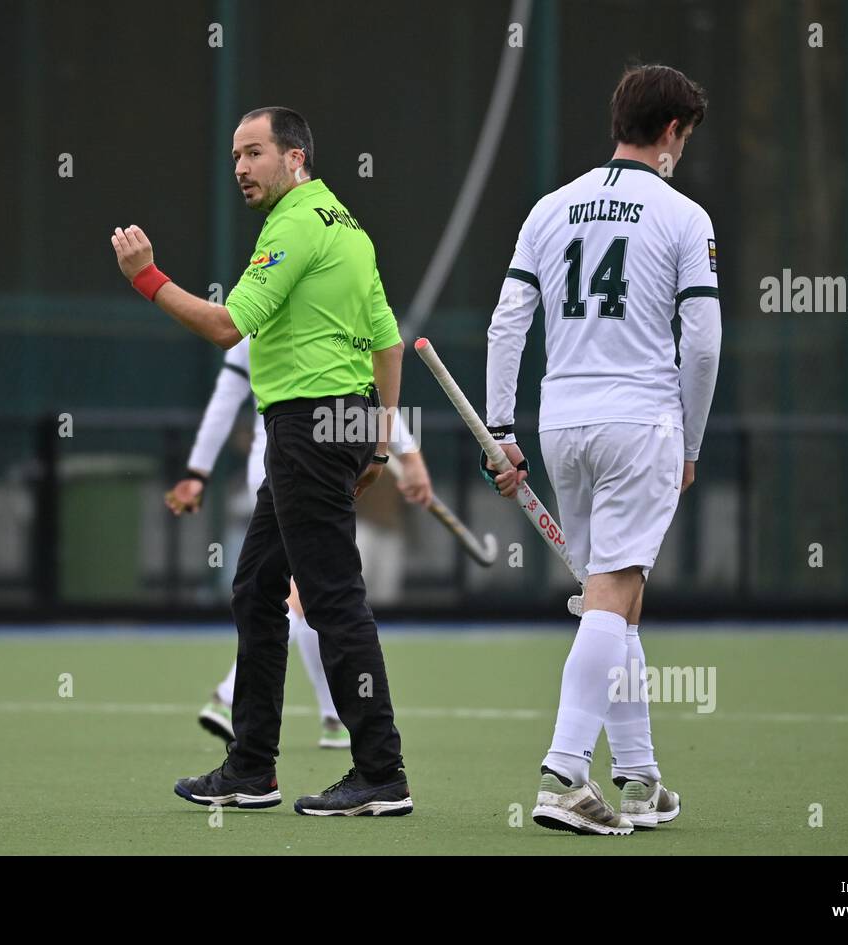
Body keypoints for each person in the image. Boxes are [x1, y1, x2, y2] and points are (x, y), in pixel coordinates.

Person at [112, 106, 415, 816]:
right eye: (234, 157)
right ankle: (252, 768)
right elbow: (389, 344)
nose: (242, 168)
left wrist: (146, 277)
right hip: (334, 420)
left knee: (332, 598)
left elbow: (226, 326)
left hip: (308, 424)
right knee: (256, 590)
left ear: (295, 158)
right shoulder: (348, 225)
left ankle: (381, 772)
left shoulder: (296, 223)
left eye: (254, 153)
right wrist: (376, 440)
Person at [484, 65, 721, 834]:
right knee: (611, 595)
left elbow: (506, 324)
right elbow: (705, 345)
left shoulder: (549, 208)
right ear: (673, 131)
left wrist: (502, 433)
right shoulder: (685, 215)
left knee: (616, 603)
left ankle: (641, 777)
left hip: (562, 425)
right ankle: (562, 773)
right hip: (640, 420)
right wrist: (690, 436)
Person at [167, 335, 434, 748]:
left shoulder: (256, 312)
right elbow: (370, 387)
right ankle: (228, 695)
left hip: (279, 468)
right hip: (300, 467)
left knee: (293, 597)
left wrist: (197, 472)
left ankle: (332, 718)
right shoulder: (322, 313)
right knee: (300, 596)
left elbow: (224, 401)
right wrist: (408, 456)